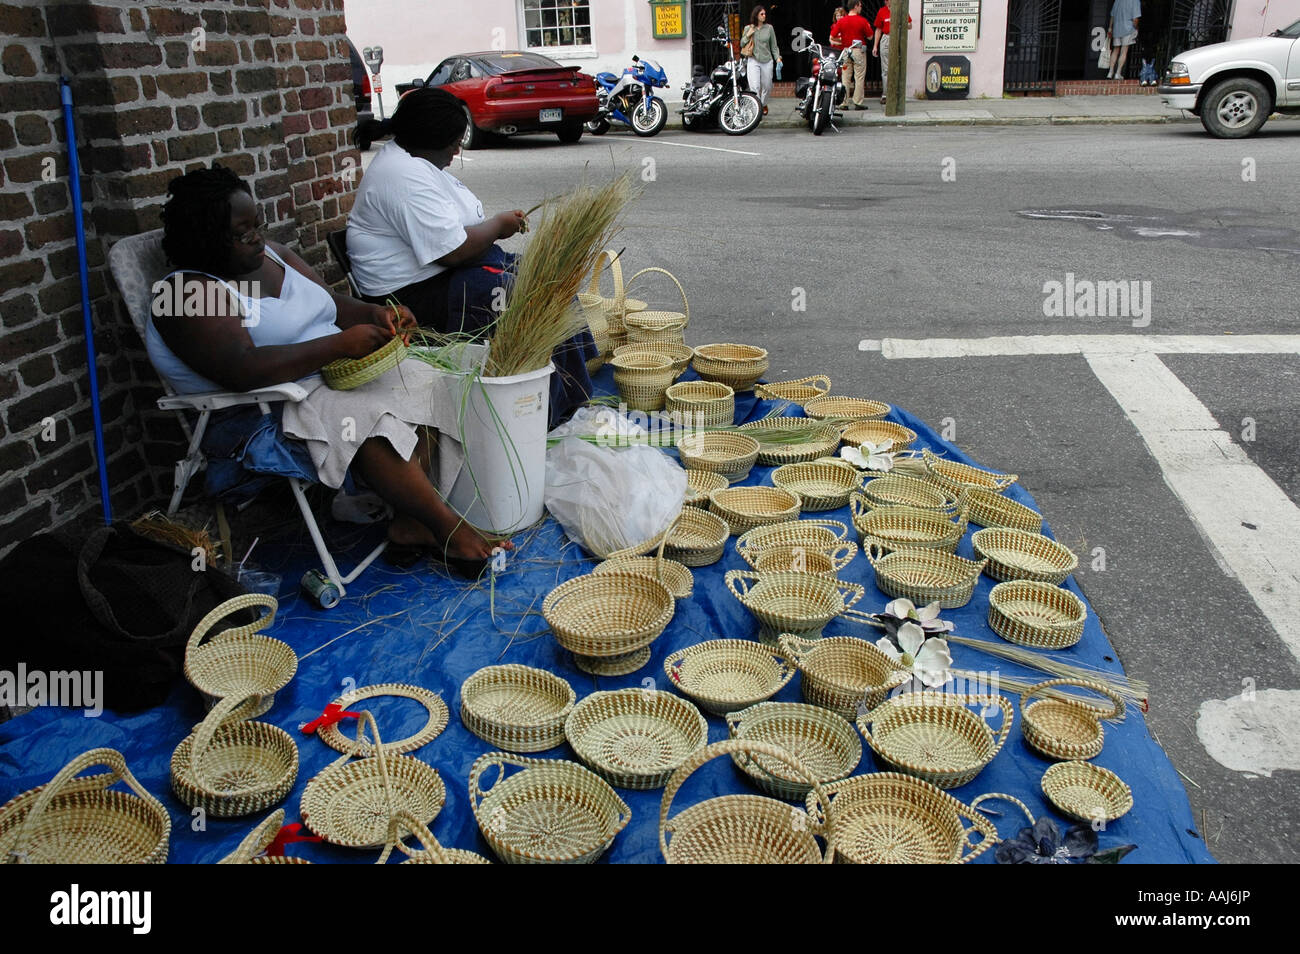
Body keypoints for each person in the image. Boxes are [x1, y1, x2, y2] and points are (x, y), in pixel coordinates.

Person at [148, 165, 510, 573]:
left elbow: (334, 305)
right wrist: (337, 345)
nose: (257, 238)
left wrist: (377, 313)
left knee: (424, 381)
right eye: (241, 233)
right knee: (372, 421)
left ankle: (411, 520)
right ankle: (448, 529)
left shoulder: (270, 258)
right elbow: (242, 369)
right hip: (265, 406)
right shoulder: (186, 294)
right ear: (204, 239)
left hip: (328, 377)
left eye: (257, 225)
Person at [348, 87, 595, 425]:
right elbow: (453, 252)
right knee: (527, 296)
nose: (457, 149)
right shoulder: (400, 175)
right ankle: (543, 412)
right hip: (416, 298)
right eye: (453, 143)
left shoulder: (414, 160)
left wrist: (495, 227)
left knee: (550, 278)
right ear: (429, 139)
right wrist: (496, 226)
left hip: (449, 275)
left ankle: (572, 390)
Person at [831, 1, 873, 110]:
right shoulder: (862, 20)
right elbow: (870, 36)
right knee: (859, 76)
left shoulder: (842, 21)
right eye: (860, 5)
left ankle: (844, 102)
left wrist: (842, 41)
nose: (861, 7)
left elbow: (832, 36)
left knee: (845, 77)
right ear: (855, 6)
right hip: (858, 50)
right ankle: (857, 102)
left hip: (846, 50)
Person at [741, 5, 781, 114]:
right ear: (756, 15)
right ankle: (758, 108)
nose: (764, 16)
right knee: (755, 86)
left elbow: (774, 46)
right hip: (753, 60)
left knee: (767, 86)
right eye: (762, 14)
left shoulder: (769, 28)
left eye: (764, 14)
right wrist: (748, 35)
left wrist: (777, 58)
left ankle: (763, 103)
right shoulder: (748, 28)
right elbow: (741, 43)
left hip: (767, 60)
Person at [872, 2, 913, 104]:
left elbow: (910, 25)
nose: (887, 1)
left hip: (898, 37)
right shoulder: (882, 11)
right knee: (885, 69)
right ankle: (886, 95)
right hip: (886, 38)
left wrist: (901, 22)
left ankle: (897, 94)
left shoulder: (900, 9)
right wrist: (875, 46)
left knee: (897, 67)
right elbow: (878, 29)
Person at [1107, 0, 1141, 79]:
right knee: (1124, 51)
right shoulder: (1135, 1)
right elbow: (1135, 19)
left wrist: (1110, 28)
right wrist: (1136, 28)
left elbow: (1112, 16)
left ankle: (1110, 72)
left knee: (1115, 50)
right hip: (1128, 29)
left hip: (1116, 28)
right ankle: (1118, 73)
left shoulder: (1117, 1)